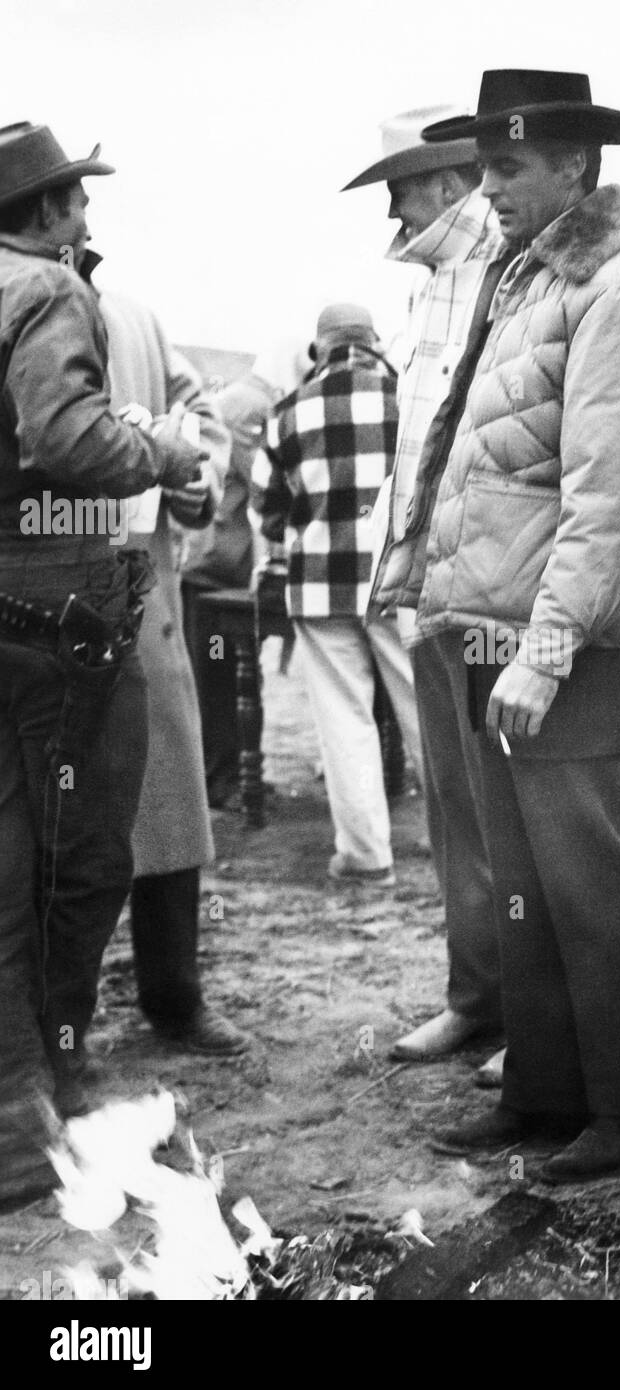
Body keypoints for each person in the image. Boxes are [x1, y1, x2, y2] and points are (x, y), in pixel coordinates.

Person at [417, 70, 620, 1182]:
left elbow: (610, 495)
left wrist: (545, 648)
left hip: (570, 647)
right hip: (491, 632)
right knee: (521, 881)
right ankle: (540, 1090)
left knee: (590, 884)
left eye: (510, 166)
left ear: (576, 165)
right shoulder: (521, 282)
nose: (489, 189)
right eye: (483, 166)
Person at [0, 121, 204, 1205]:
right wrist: (160, 449)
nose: (87, 217)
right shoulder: (47, 290)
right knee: (83, 862)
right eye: (72, 200)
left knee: (13, 860)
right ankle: (50, 1076)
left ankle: (21, 1093)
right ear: (41, 213)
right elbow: (68, 440)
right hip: (59, 618)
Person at [346, 105, 506, 1067]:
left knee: (506, 817)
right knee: (454, 806)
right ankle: (480, 998)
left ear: (447, 186)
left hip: (494, 588)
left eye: (401, 189)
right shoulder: (430, 294)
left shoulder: (511, 278)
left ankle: (529, 1017)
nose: (392, 213)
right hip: (433, 585)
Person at [95, 284, 249, 1058]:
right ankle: (44, 1026)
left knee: (161, 794)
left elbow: (203, 425)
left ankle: (173, 995)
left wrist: (193, 474)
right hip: (19, 591)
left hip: (133, 587)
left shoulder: (133, 319)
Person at [251, 304, 423, 887]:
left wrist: (300, 530)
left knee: (345, 721)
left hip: (321, 587)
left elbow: (264, 511)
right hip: (403, 584)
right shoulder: (413, 400)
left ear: (318, 349)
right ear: (374, 342)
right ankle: (467, 841)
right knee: (427, 713)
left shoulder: (287, 413)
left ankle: (366, 856)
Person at [181, 373, 275, 808]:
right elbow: (262, 479)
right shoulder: (245, 408)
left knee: (235, 678)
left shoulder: (240, 404)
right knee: (220, 678)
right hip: (214, 578)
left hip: (222, 575)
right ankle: (221, 780)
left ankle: (235, 772)